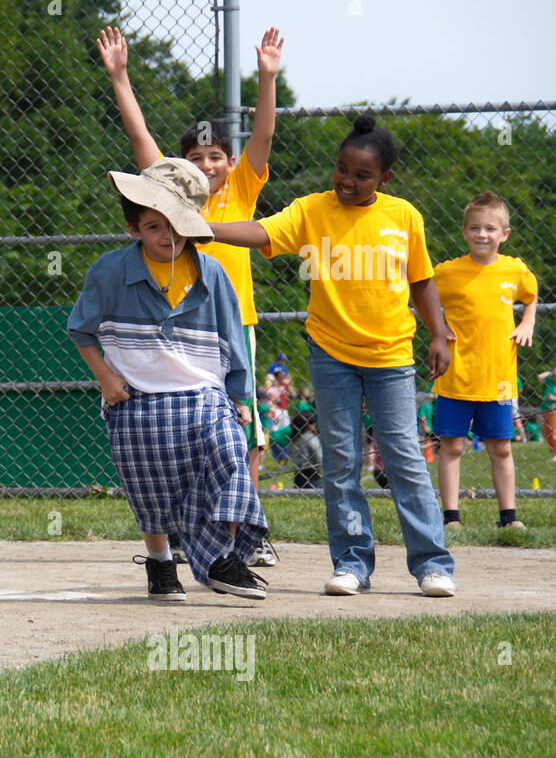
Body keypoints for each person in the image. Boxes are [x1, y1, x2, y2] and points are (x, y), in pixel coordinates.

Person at [208, 114, 456, 597]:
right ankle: (352, 563)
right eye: (342, 168)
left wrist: (439, 334)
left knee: (404, 459)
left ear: (384, 179)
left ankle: (432, 564)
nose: (348, 180)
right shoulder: (310, 211)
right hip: (331, 355)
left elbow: (422, 281)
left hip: (390, 357)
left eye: (363, 175)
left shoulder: (403, 216)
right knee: (341, 461)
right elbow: (260, 232)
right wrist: (206, 228)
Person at [98, 24, 282, 568]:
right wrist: (121, 78)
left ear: (231, 164)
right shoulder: (172, 199)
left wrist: (267, 77)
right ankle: (181, 530)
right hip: (172, 331)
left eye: (216, 156)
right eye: (196, 157)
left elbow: (264, 138)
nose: (206, 165)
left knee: (240, 426)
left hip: (229, 327)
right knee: (176, 436)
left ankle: (241, 524)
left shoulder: (240, 191)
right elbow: (139, 142)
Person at [67, 158, 268, 603]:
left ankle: (223, 560)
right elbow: (80, 329)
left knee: (232, 456)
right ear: (134, 227)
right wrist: (105, 378)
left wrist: (237, 398)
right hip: (135, 400)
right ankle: (161, 564)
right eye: (155, 226)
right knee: (147, 485)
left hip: (204, 396)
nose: (168, 236)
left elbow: (233, 342)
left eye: (178, 226)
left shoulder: (212, 273)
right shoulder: (109, 270)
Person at [430, 193, 537, 531]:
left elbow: (531, 296)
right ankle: (451, 517)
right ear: (464, 232)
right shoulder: (448, 272)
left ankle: (509, 517)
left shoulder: (515, 269)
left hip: (498, 378)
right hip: (457, 375)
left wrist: (528, 322)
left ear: (504, 233)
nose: (482, 234)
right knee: (452, 446)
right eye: (474, 228)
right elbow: (422, 295)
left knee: (501, 448)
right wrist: (439, 327)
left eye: (490, 228)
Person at [542, 369, 556, 460]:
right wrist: (551, 372)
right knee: (547, 433)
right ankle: (553, 452)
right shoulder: (550, 381)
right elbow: (539, 377)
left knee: (553, 432)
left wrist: (554, 398)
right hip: (545, 410)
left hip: (553, 410)